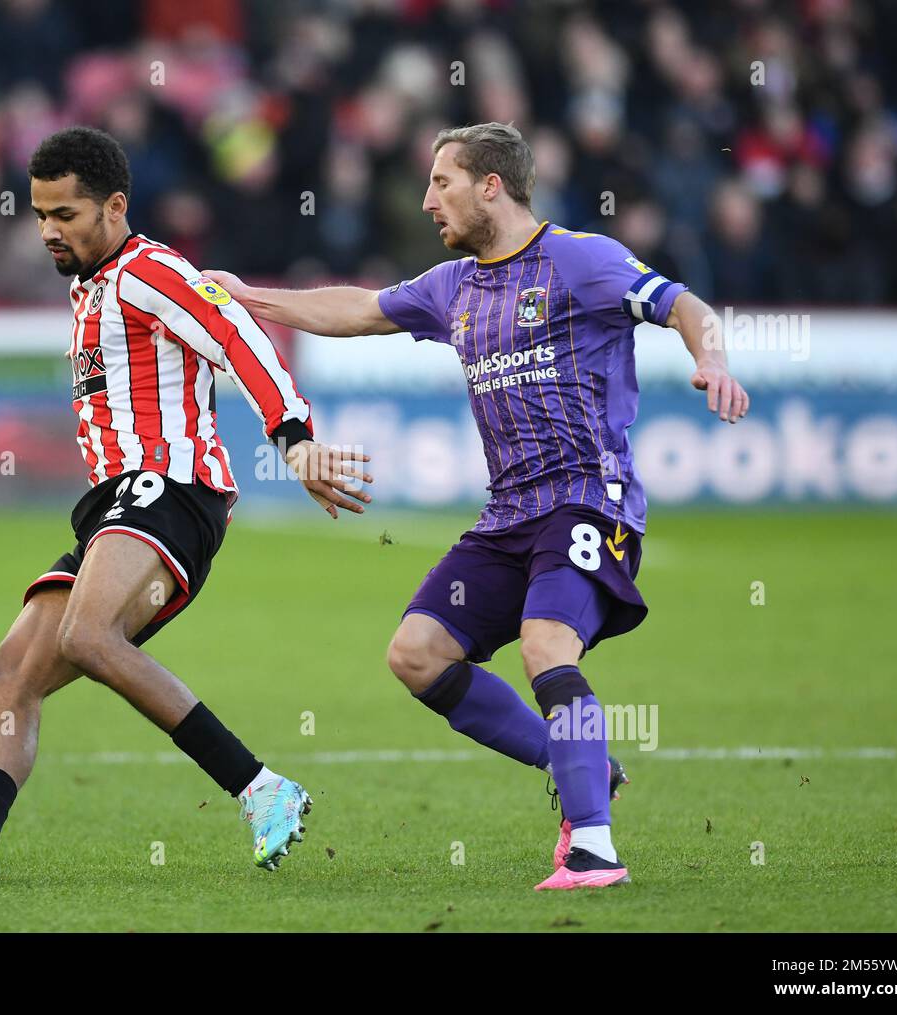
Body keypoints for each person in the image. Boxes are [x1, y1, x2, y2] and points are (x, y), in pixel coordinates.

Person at [205, 121, 749, 890]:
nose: (429, 201)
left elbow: (686, 307)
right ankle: (580, 761)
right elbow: (356, 309)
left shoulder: (581, 259)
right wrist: (248, 295)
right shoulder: (451, 286)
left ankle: (594, 845)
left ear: (491, 185)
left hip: (590, 499)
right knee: (416, 653)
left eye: (442, 183)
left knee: (545, 643)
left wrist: (712, 359)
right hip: (509, 515)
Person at [0, 127, 372, 883]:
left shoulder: (149, 271)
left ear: (115, 205)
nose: (47, 230)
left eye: (65, 213)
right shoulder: (91, 291)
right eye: (39, 214)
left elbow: (237, 332)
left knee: (90, 636)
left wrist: (294, 439)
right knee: (6, 681)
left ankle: (261, 786)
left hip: (169, 490)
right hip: (110, 508)